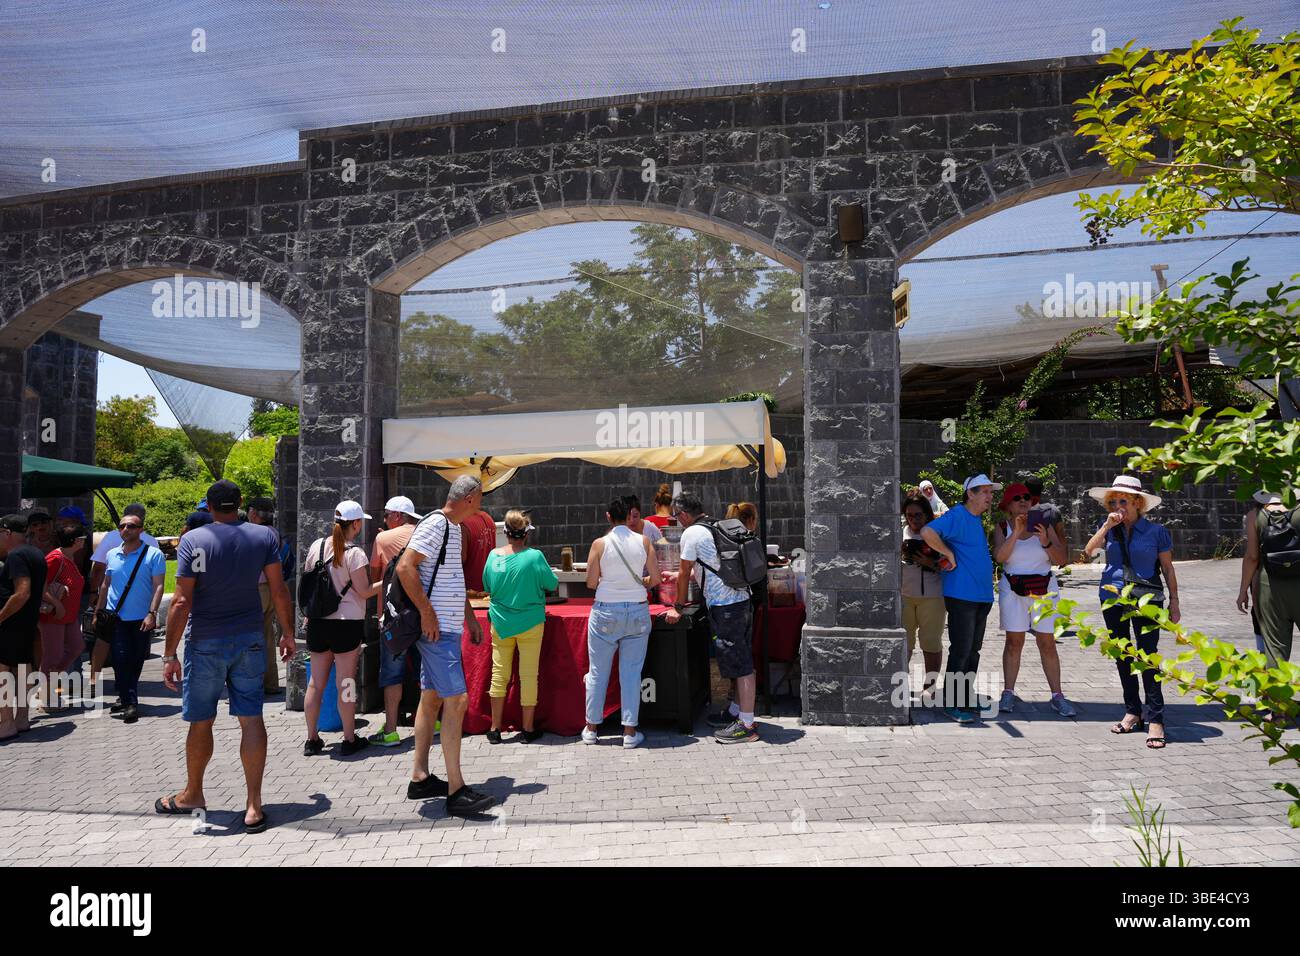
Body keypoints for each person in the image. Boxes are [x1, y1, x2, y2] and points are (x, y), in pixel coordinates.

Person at [154, 479, 295, 833]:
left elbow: (182, 602)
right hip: (249, 638)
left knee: (201, 720)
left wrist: (169, 653)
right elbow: (278, 589)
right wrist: (288, 634)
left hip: (205, 639)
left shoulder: (192, 541)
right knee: (251, 718)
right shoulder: (264, 537)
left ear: (209, 508)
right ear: (242, 504)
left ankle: (194, 794)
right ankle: (253, 805)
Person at [397, 475, 495, 816]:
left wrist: (468, 619)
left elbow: (452, 579)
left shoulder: (453, 528)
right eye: (480, 497)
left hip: (445, 629)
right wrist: (427, 613)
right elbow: (405, 566)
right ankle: (456, 790)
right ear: (469, 498)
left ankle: (420, 776)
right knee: (458, 701)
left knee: (432, 697)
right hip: (437, 631)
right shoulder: (437, 525)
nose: (482, 504)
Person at [1082, 475, 1179, 750]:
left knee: (1148, 657)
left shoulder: (1157, 531)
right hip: (1112, 598)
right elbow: (1088, 553)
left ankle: (1156, 718)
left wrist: (1175, 602)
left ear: (1138, 503)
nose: (1117, 505)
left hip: (1147, 599)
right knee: (1123, 655)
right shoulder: (1109, 529)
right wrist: (1106, 525)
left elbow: (1169, 569)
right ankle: (1132, 711)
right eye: (1113, 501)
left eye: (1123, 500)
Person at [665, 492, 758, 743]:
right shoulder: (716, 524)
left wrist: (678, 606)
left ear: (683, 514)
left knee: (742, 665)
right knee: (741, 660)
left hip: (726, 606)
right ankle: (736, 713)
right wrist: (682, 576)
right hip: (743, 600)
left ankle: (747, 726)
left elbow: (685, 572)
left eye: (676, 517)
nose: (677, 521)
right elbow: (711, 565)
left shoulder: (691, 533)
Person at [302, 500, 381, 756]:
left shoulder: (317, 546)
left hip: (317, 623)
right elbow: (365, 591)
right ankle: (349, 739)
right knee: (345, 683)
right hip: (346, 624)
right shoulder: (354, 554)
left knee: (316, 683)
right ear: (356, 524)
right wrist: (387, 582)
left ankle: (312, 739)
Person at [921, 474, 999, 723]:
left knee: (973, 650)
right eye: (984, 492)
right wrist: (947, 553)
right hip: (962, 595)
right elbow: (927, 531)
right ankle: (953, 702)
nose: (990, 496)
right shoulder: (957, 514)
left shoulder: (975, 519)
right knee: (962, 650)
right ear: (971, 494)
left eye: (990, 491)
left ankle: (965, 696)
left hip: (981, 596)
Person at [993, 482, 1075, 717]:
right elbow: (1000, 557)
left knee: (1047, 642)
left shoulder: (1044, 526)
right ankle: (1008, 692)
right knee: (1014, 642)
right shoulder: (1002, 527)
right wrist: (1017, 532)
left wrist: (1045, 540)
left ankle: (1057, 695)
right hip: (1013, 588)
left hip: (1044, 587)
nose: (1023, 501)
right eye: (1016, 498)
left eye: (1026, 498)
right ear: (1008, 506)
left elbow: (1061, 559)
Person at [583, 496, 660, 748]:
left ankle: (591, 729)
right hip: (637, 610)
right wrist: (641, 582)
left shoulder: (599, 544)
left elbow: (591, 582)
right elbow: (656, 578)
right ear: (629, 515)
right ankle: (629, 732)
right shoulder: (644, 541)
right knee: (631, 673)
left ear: (608, 517)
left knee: (598, 672)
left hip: (606, 611)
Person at [482, 510, 558, 744]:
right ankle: (527, 728)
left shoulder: (494, 556)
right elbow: (552, 583)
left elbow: (487, 585)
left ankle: (495, 728)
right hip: (530, 622)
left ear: (505, 532)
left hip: (501, 622)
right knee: (528, 676)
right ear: (525, 534)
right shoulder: (535, 557)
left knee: (499, 674)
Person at [93, 510, 166, 724]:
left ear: (141, 530)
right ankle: (130, 702)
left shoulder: (153, 554)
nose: (125, 529)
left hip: (142, 617)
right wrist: (98, 611)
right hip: (117, 618)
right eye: (122, 526)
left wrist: (152, 613)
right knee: (121, 659)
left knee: (135, 660)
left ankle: (125, 696)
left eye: (131, 526)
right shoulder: (112, 554)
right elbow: (105, 585)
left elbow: (159, 585)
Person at [367, 494, 423, 746]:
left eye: (388, 515)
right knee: (425, 670)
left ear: (397, 516)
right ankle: (429, 721)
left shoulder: (382, 538)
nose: (386, 519)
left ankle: (390, 729)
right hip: (424, 613)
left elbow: (375, 576)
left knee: (392, 674)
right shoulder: (425, 534)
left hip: (393, 619)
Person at [1237, 489, 1300, 670]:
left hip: (1269, 586)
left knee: (1274, 649)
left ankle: (1276, 697)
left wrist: (1243, 592)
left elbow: (1252, 557)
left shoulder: (1255, 515)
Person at [0, 515, 48, 740]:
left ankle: (6, 723)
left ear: (7, 533)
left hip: (10, 624)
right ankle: (21, 719)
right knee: (23, 669)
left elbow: (23, 592)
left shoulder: (16, 555)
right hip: (26, 623)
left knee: (2, 672)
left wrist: (0, 617)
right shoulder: (36, 553)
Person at [36, 521, 87, 711]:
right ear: (76, 541)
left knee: (77, 647)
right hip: (53, 615)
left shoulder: (69, 557)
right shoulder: (54, 558)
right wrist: (57, 604)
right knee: (53, 655)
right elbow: (40, 585)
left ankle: (50, 683)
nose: (85, 541)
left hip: (68, 616)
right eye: (82, 538)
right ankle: (46, 698)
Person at [900, 492, 945, 700]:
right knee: (904, 642)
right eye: (909, 515)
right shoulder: (901, 533)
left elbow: (949, 563)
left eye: (918, 515)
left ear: (927, 514)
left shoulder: (937, 533)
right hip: (905, 594)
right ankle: (900, 682)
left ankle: (931, 685)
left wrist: (931, 564)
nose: (914, 519)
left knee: (931, 642)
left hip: (932, 595)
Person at [247, 496, 292, 694]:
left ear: (253, 513)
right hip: (273, 588)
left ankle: (250, 684)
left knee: (249, 638)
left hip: (257, 589)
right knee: (267, 637)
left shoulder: (253, 533)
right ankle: (271, 683)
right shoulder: (275, 533)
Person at [1024, 476, 1069, 561]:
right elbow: (1061, 536)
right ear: (1042, 490)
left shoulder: (1017, 511)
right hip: (1047, 557)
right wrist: (1063, 559)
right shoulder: (1053, 511)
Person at [460, 495, 496, 599]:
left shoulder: (462, 524)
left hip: (469, 593)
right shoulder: (488, 518)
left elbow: (460, 559)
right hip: (488, 591)